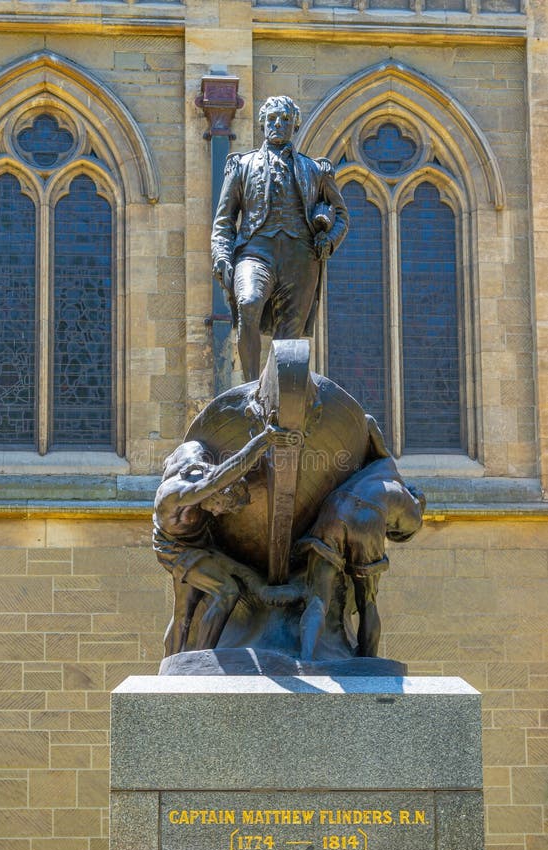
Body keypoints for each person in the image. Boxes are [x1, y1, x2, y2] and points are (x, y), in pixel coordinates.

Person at [212, 95, 349, 381]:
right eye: (272, 119)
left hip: (301, 256)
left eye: (285, 119)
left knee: (289, 339)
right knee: (248, 302)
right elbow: (224, 221)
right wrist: (222, 256)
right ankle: (250, 387)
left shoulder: (316, 169)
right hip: (255, 250)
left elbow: (342, 215)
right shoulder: (241, 166)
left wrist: (329, 239)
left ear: (294, 126)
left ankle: (276, 396)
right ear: (262, 124)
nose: (278, 124)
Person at [153, 427, 298, 656]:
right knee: (226, 591)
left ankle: (172, 664)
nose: (219, 514)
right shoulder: (180, 495)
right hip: (176, 550)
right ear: (216, 492)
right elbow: (218, 479)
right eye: (222, 506)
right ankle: (200, 660)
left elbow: (189, 451)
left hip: (199, 545)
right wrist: (265, 439)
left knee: (183, 612)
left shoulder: (196, 461)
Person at [295, 418, 426, 659]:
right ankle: (367, 661)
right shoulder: (414, 510)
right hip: (368, 517)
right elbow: (403, 532)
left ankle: (305, 660)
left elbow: (366, 421)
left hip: (335, 506)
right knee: (367, 602)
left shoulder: (386, 465)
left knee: (317, 599)